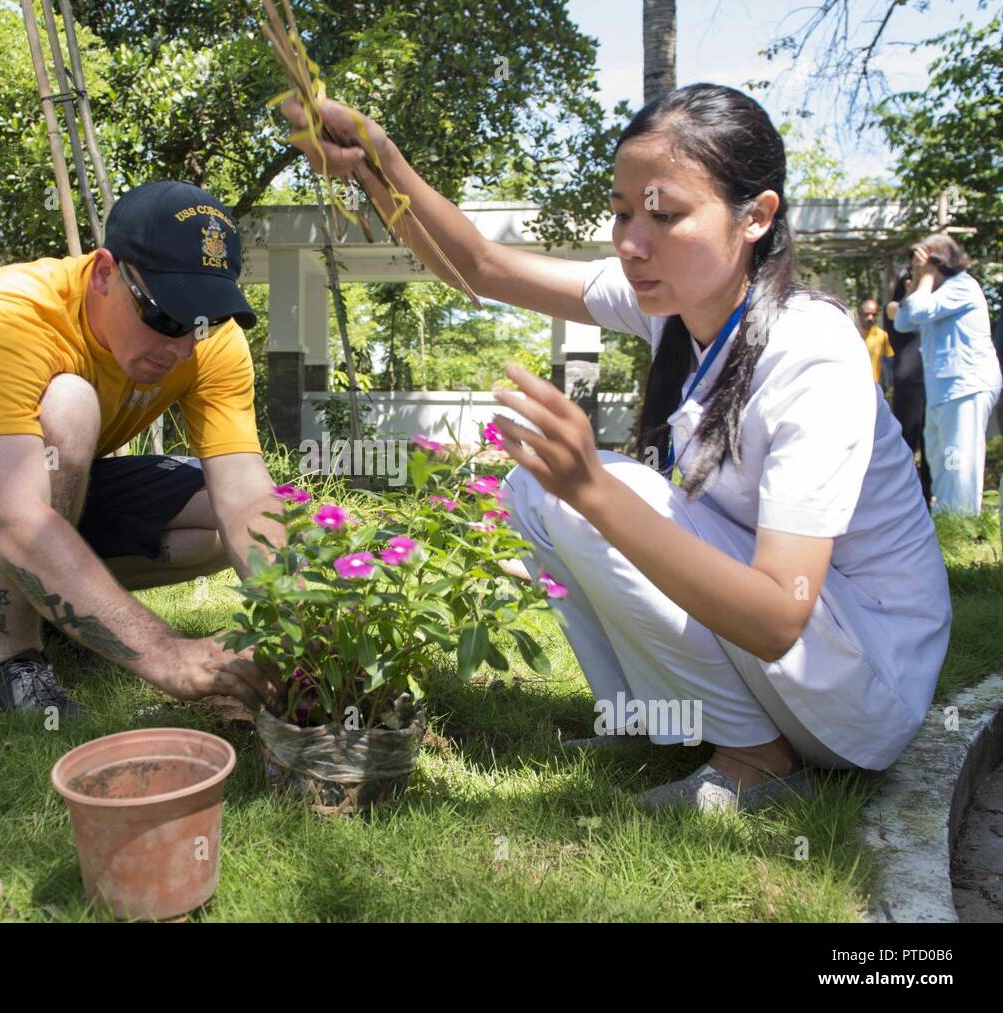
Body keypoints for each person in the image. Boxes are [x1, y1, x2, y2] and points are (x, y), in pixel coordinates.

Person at [282, 83, 949, 812]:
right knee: (533, 490)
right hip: (804, 660)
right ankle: (648, 721)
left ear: (756, 217)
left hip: (861, 689)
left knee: (600, 491)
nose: (631, 243)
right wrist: (379, 163)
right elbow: (480, 266)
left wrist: (594, 489)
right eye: (624, 211)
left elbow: (779, 615)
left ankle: (758, 758)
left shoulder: (810, 349)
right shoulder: (673, 300)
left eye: (664, 215)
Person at [0, 181, 280, 717]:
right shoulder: (3, 314)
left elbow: (243, 493)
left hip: (37, 482)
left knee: (221, 520)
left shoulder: (208, 342)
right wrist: (167, 654)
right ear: (104, 272)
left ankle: (27, 605)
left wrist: (295, 622)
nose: (180, 344)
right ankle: (12, 664)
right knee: (70, 401)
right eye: (164, 315)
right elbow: (12, 519)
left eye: (204, 318)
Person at [894, 234, 1001, 515]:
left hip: (967, 384)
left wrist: (926, 278)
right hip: (944, 387)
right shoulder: (934, 292)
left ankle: (963, 522)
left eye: (921, 264)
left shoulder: (962, 286)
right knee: (941, 458)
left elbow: (917, 310)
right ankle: (947, 521)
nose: (916, 271)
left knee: (959, 459)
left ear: (938, 262)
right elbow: (903, 321)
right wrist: (919, 282)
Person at [884, 270, 932, 505]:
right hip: (908, 384)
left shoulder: (929, 306)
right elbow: (904, 312)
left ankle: (928, 497)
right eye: (908, 280)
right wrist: (915, 291)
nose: (913, 283)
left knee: (931, 447)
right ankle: (902, 498)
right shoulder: (895, 307)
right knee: (907, 444)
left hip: (931, 383)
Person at [857, 298, 893, 390]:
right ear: (859, 314)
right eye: (867, 314)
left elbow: (889, 363)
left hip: (875, 387)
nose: (870, 318)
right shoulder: (851, 334)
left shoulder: (882, 336)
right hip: (855, 384)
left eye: (874, 315)